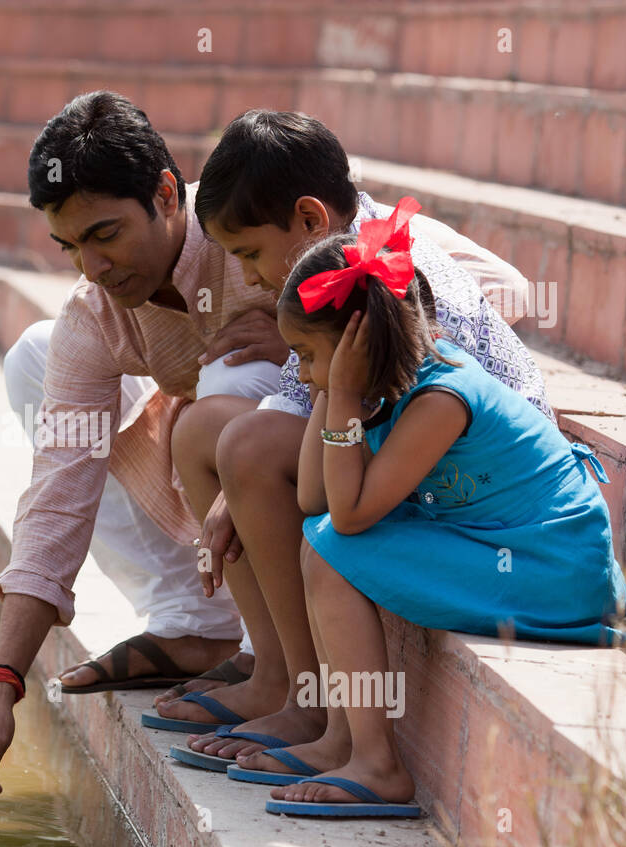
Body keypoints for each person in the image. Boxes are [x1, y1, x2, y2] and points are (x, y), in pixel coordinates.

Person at [0, 93, 529, 816]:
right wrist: (2, 685)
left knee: (234, 407)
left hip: (442, 457)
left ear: (165, 196)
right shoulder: (107, 309)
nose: (91, 267)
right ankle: (202, 627)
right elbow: (55, 501)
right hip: (301, 445)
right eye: (70, 248)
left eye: (105, 234)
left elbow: (503, 293)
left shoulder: (267, 210)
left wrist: (322, 336)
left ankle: (284, 674)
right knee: (50, 361)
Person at [158, 110, 559, 759]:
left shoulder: (391, 276)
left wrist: (253, 476)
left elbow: (435, 407)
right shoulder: (337, 262)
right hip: (416, 451)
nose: (253, 279)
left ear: (311, 219)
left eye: (251, 254)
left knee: (251, 452)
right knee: (208, 432)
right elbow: (297, 391)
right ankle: (278, 673)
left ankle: (311, 697)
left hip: (479, 484)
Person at [251, 207, 626, 815]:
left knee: (331, 547)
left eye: (306, 353)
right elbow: (313, 499)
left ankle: (378, 765)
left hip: (553, 570)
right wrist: (331, 388)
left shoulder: (440, 395)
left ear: (361, 347)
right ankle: (345, 739)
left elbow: (343, 521)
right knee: (318, 536)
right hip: (508, 552)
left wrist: (341, 390)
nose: (299, 370)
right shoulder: (387, 386)